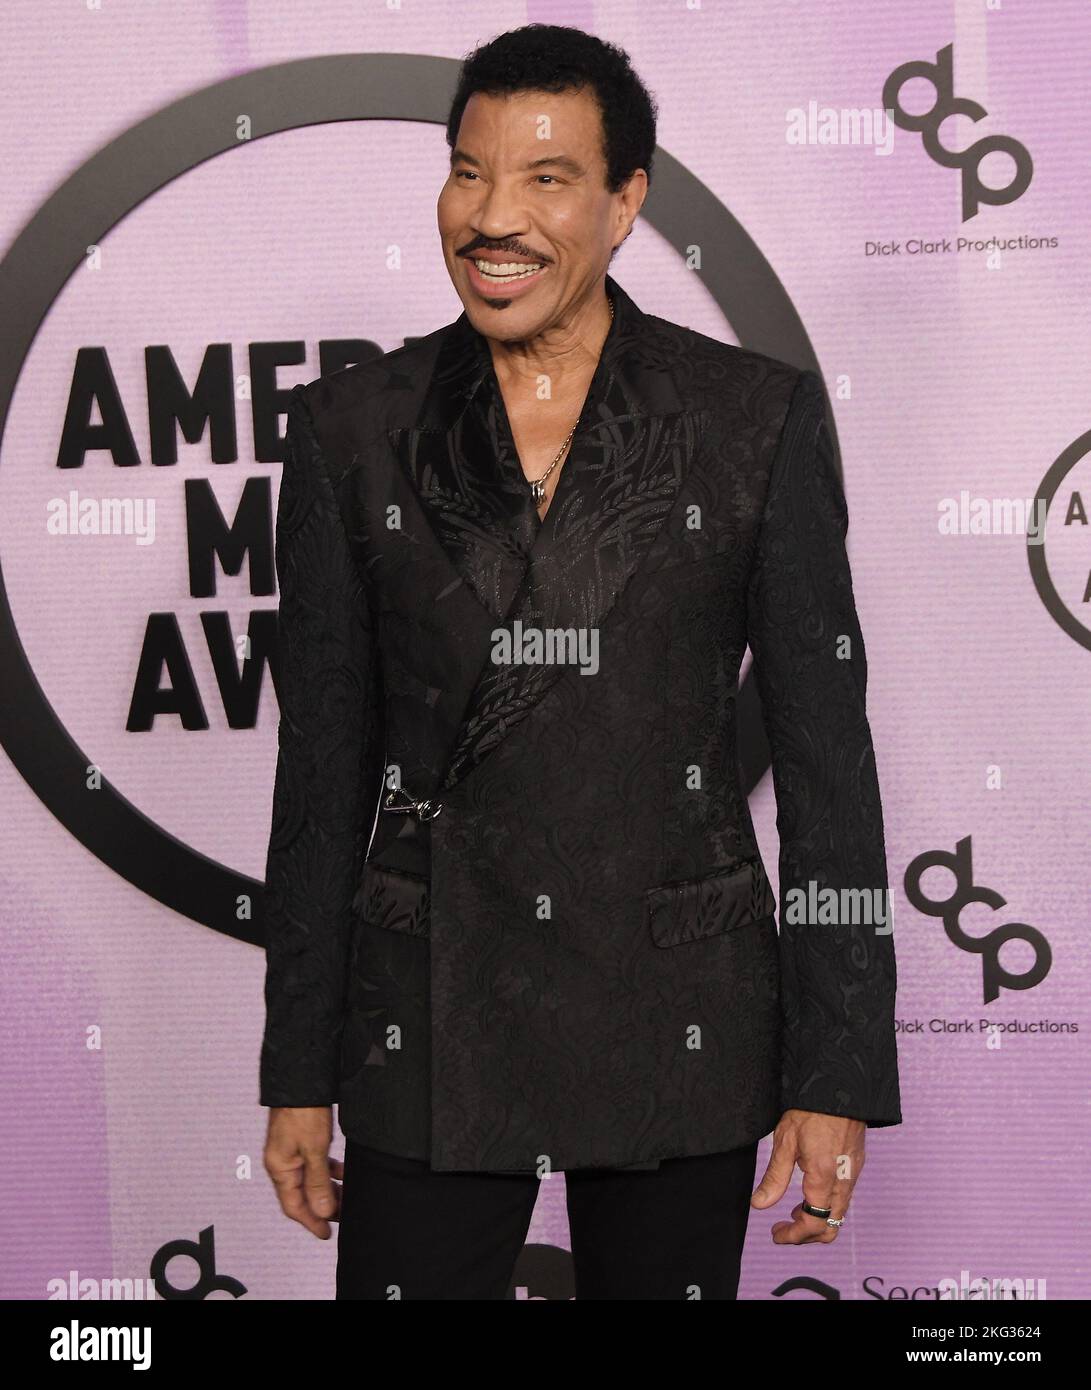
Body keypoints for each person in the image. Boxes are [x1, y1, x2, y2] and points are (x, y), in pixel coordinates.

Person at [259, 23, 901, 1301]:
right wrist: (296, 1070)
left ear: (624, 204)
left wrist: (833, 1075)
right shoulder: (351, 432)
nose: (493, 217)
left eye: (547, 179)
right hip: (426, 1013)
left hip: (676, 1008)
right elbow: (321, 778)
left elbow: (827, 766)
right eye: (468, 171)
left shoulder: (747, 421)